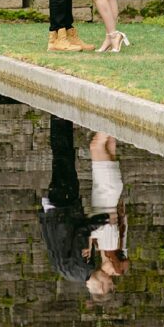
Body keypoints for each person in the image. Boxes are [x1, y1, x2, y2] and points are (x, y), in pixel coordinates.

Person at [39, 116, 108, 288]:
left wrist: (101, 221)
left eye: (108, 281)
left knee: (64, 157)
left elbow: (79, 233)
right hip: (54, 214)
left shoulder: (86, 266)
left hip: (65, 209)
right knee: (61, 158)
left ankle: (60, 117)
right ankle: (61, 119)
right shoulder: (67, 274)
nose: (108, 276)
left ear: (100, 286)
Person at [85, 131, 129, 300]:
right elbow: (102, 226)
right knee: (96, 146)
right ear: (102, 287)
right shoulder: (109, 248)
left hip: (108, 191)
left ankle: (114, 123)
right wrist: (88, 242)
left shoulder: (107, 251)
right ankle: (109, 115)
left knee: (108, 147)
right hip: (107, 192)